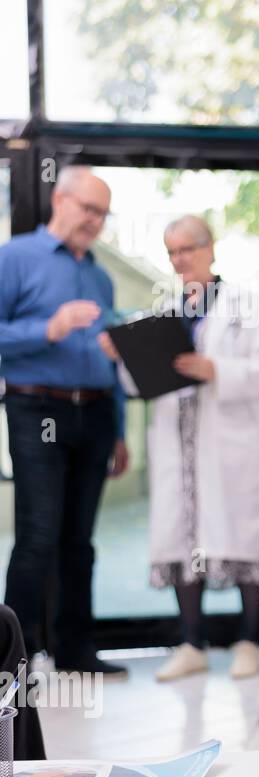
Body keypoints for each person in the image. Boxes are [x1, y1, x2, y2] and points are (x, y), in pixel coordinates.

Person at [99, 215, 259, 681]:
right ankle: (191, 643)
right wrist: (126, 357)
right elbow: (139, 381)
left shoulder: (249, 306)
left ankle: (248, 641)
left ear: (210, 248)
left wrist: (215, 369)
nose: (181, 260)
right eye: (172, 252)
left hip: (232, 444)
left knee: (244, 536)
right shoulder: (165, 311)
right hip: (176, 443)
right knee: (181, 539)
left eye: (188, 249)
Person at [0, 166, 129, 679]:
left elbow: (113, 359)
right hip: (36, 409)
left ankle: (76, 652)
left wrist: (118, 428)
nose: (94, 222)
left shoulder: (100, 276)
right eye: (88, 209)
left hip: (95, 412)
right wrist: (48, 328)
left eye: (102, 214)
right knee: (38, 533)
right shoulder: (15, 258)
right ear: (60, 199)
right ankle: (14, 659)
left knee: (80, 538)